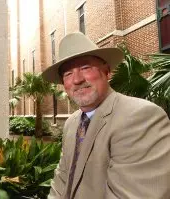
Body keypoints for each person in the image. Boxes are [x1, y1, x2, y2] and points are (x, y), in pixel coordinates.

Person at [42, 32, 170, 199]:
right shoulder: (72, 123)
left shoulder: (140, 117)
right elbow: (62, 180)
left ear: (107, 72)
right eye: (68, 74)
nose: (77, 79)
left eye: (85, 68)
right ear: (64, 85)